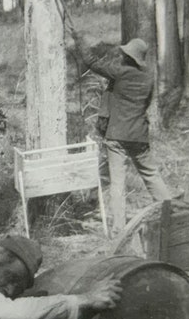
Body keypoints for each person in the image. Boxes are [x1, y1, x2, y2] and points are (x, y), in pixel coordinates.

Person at [68, 26, 175, 233]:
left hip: (116, 136)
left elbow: (91, 62)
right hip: (139, 136)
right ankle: (170, 214)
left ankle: (119, 228)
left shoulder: (120, 73)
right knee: (151, 175)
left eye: (125, 54)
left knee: (117, 183)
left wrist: (78, 37)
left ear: (129, 58)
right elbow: (145, 104)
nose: (122, 55)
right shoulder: (147, 78)